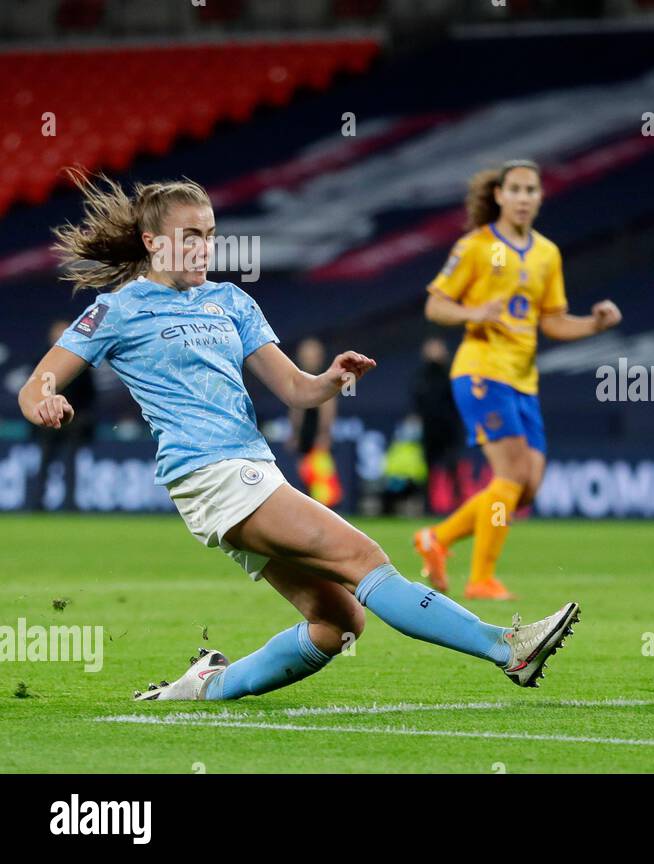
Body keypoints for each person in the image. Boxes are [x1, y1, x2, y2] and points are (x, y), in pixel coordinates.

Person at [18, 170, 578, 701]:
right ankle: (507, 648)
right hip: (211, 473)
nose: (203, 248)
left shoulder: (231, 302)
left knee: (337, 624)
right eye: (190, 236)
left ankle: (203, 687)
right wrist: (45, 400)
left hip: (249, 468)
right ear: (152, 240)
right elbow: (38, 382)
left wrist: (330, 380)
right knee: (364, 555)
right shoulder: (117, 310)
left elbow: (295, 389)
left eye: (210, 236)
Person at [413, 159, 623, 600]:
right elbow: (435, 305)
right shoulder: (475, 246)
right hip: (482, 370)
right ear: (500, 195)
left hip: (524, 380)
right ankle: (481, 579)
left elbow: (554, 322)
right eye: (517, 190)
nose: (525, 198)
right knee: (510, 475)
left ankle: (438, 537)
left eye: (532, 190)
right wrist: (472, 312)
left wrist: (594, 325)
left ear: (540, 197)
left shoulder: (547, 253)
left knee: (525, 489)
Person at [31, 318, 96, 510]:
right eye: (56, 333)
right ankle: (36, 503)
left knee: (70, 465)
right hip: (47, 423)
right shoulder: (42, 360)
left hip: (72, 422)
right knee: (44, 464)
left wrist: (82, 416)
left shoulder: (79, 363)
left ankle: (70, 503)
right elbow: (32, 391)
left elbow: (89, 393)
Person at [412, 336, 464, 511]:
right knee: (427, 470)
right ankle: (427, 506)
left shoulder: (451, 373)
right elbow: (417, 402)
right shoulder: (421, 376)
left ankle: (458, 505)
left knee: (452, 468)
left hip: (449, 429)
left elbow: (458, 401)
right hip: (429, 430)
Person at [288, 337, 341, 507]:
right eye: (305, 355)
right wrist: (295, 433)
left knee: (321, 481)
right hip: (305, 437)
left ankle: (325, 513)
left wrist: (324, 434)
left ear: (319, 356)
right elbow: (296, 408)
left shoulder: (323, 378)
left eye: (311, 355)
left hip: (317, 437)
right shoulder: (299, 378)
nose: (308, 358)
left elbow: (328, 409)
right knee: (305, 477)